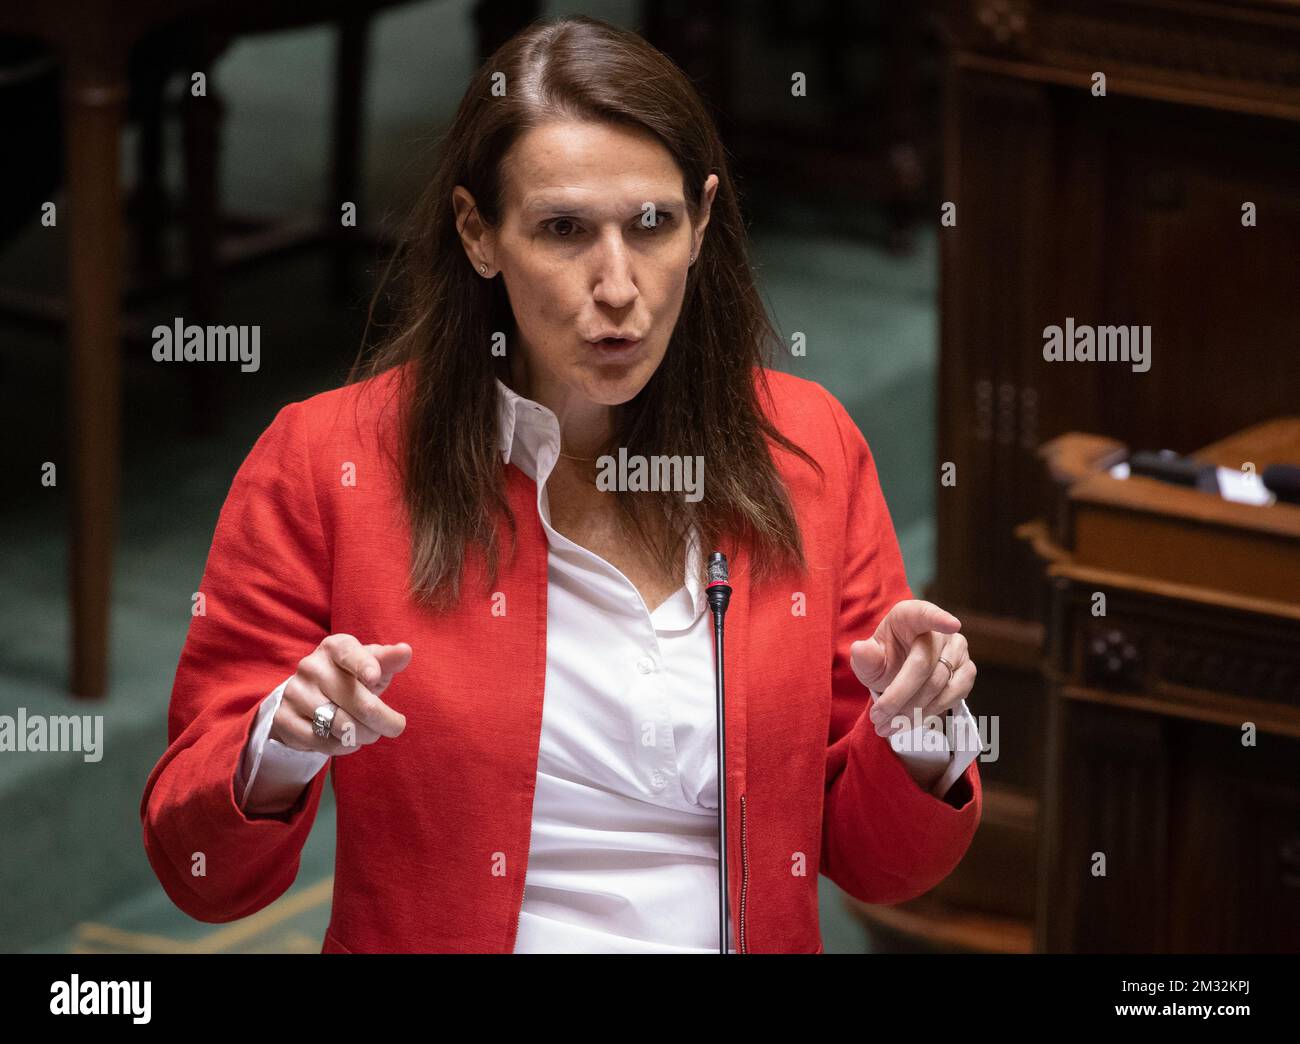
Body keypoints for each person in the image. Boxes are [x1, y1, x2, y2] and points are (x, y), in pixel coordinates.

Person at [140, 14, 982, 954]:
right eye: (564, 230)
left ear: (701, 223)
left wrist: (915, 735)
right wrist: (280, 745)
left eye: (652, 225)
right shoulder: (327, 461)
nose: (617, 285)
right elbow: (198, 872)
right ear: (478, 233)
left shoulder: (807, 449)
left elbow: (883, 867)